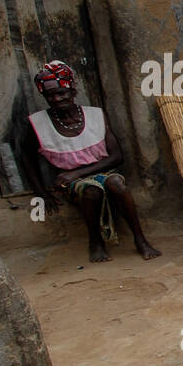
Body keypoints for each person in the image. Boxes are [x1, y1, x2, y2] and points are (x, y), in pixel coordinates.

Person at [19, 60, 161, 262]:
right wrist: (41, 193)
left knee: (117, 183)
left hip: (95, 173)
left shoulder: (95, 115)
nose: (57, 99)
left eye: (62, 93)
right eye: (50, 96)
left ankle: (141, 240)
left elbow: (117, 156)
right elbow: (26, 158)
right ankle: (95, 241)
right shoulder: (37, 123)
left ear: (72, 92)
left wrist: (76, 173)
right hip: (71, 183)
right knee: (91, 190)